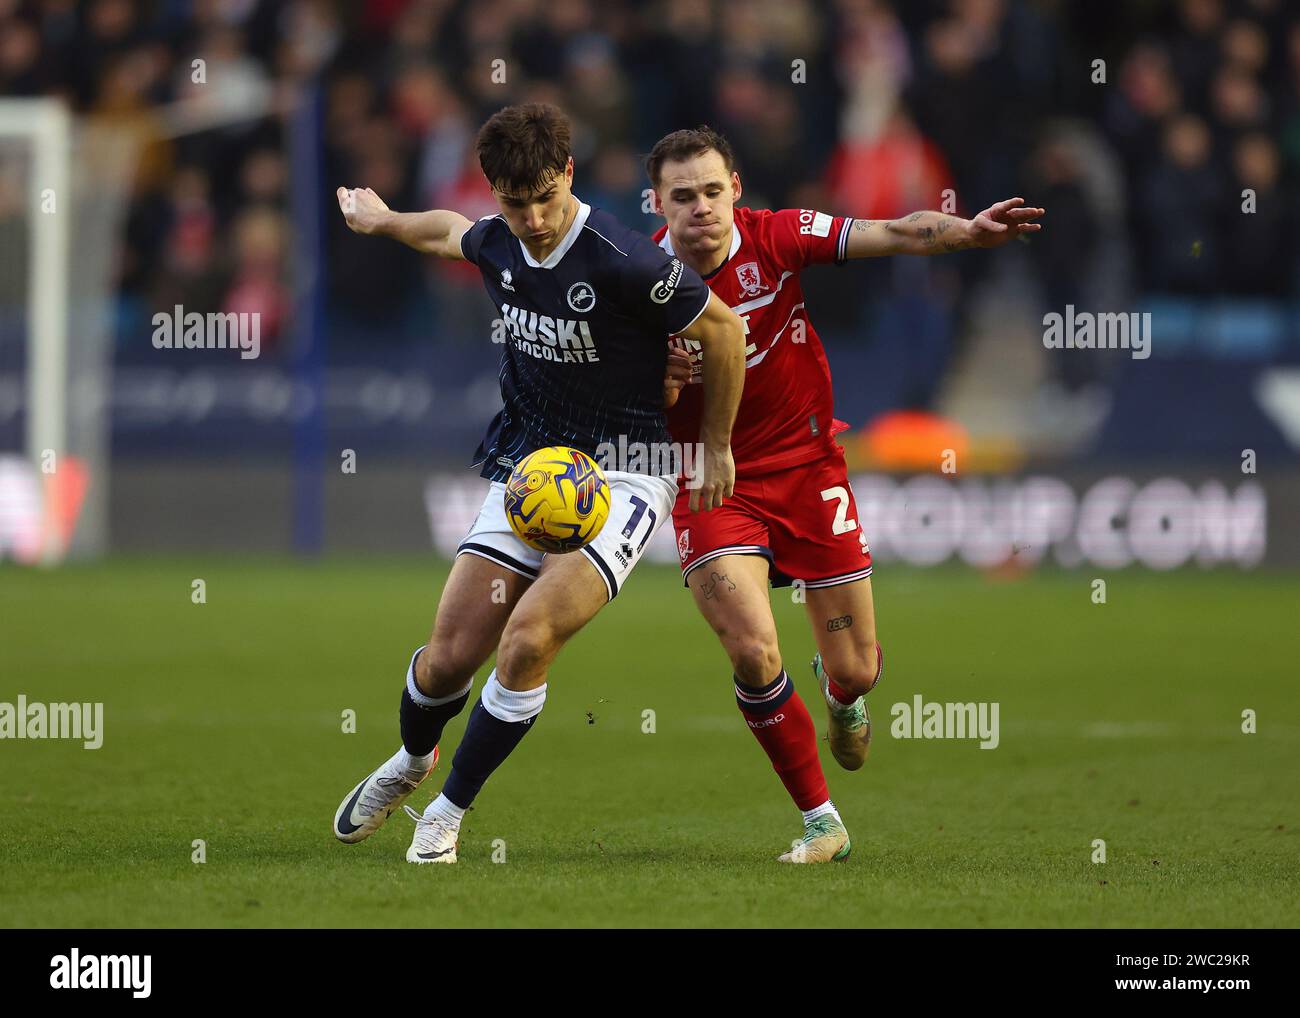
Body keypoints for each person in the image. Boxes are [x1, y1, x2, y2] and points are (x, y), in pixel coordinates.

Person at [332, 104, 746, 864]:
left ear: (569, 175)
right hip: (532, 467)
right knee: (446, 660)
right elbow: (446, 232)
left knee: (527, 640)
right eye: (514, 204)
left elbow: (724, 330)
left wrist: (715, 446)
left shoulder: (623, 260)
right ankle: (412, 761)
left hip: (625, 472)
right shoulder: (499, 241)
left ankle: (447, 812)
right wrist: (382, 219)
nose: (533, 221)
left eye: (545, 199)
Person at [650, 126, 1043, 862]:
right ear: (658, 204)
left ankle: (840, 696)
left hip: (808, 469)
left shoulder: (776, 237)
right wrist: (656, 381)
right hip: (713, 481)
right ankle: (821, 821)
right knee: (752, 648)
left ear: (735, 190)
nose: (700, 207)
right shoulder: (639, 282)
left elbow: (893, 231)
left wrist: (966, 232)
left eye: (712, 190)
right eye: (683, 196)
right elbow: (617, 394)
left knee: (857, 666)